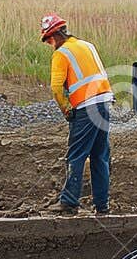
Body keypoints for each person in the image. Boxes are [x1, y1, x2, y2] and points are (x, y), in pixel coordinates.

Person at [42, 13, 112, 215]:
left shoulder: (61, 53)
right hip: (105, 101)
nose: (49, 44)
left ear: (54, 36)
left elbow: (56, 88)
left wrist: (66, 110)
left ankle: (69, 202)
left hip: (86, 106)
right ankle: (102, 205)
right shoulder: (87, 45)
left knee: (76, 155)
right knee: (100, 155)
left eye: (48, 40)